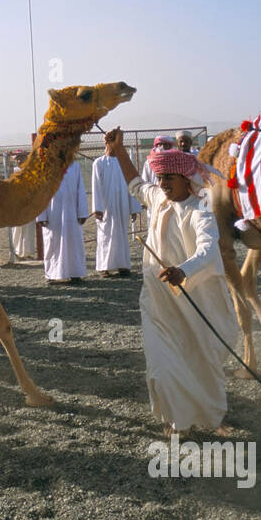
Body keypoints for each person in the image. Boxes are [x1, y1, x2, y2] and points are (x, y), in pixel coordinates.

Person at [106, 129, 237, 436]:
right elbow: (137, 185)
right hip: (157, 302)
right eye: (160, 178)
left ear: (185, 179)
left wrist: (183, 270)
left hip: (195, 302)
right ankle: (176, 422)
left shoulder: (200, 209)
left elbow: (208, 248)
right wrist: (120, 151)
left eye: (169, 179)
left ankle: (211, 417)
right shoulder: (158, 199)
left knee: (201, 359)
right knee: (162, 365)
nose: (162, 184)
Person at [36, 157, 88, 284]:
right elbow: (40, 191)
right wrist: (41, 215)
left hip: (72, 213)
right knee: (52, 243)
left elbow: (80, 189)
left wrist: (82, 212)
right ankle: (52, 275)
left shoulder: (74, 166)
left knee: (73, 242)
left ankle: (75, 273)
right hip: (52, 214)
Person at [90, 146, 139, 277]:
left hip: (122, 203)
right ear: (106, 144)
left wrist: (133, 207)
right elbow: (96, 186)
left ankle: (122, 265)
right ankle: (103, 267)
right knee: (105, 235)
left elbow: (131, 183)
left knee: (122, 234)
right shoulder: (99, 163)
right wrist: (97, 208)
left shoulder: (124, 163)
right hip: (106, 207)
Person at [8, 151, 38, 261]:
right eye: (17, 158)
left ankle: (27, 252)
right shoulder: (13, 171)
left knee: (29, 229)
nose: (20, 160)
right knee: (17, 229)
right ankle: (17, 252)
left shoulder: (31, 170)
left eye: (22, 158)